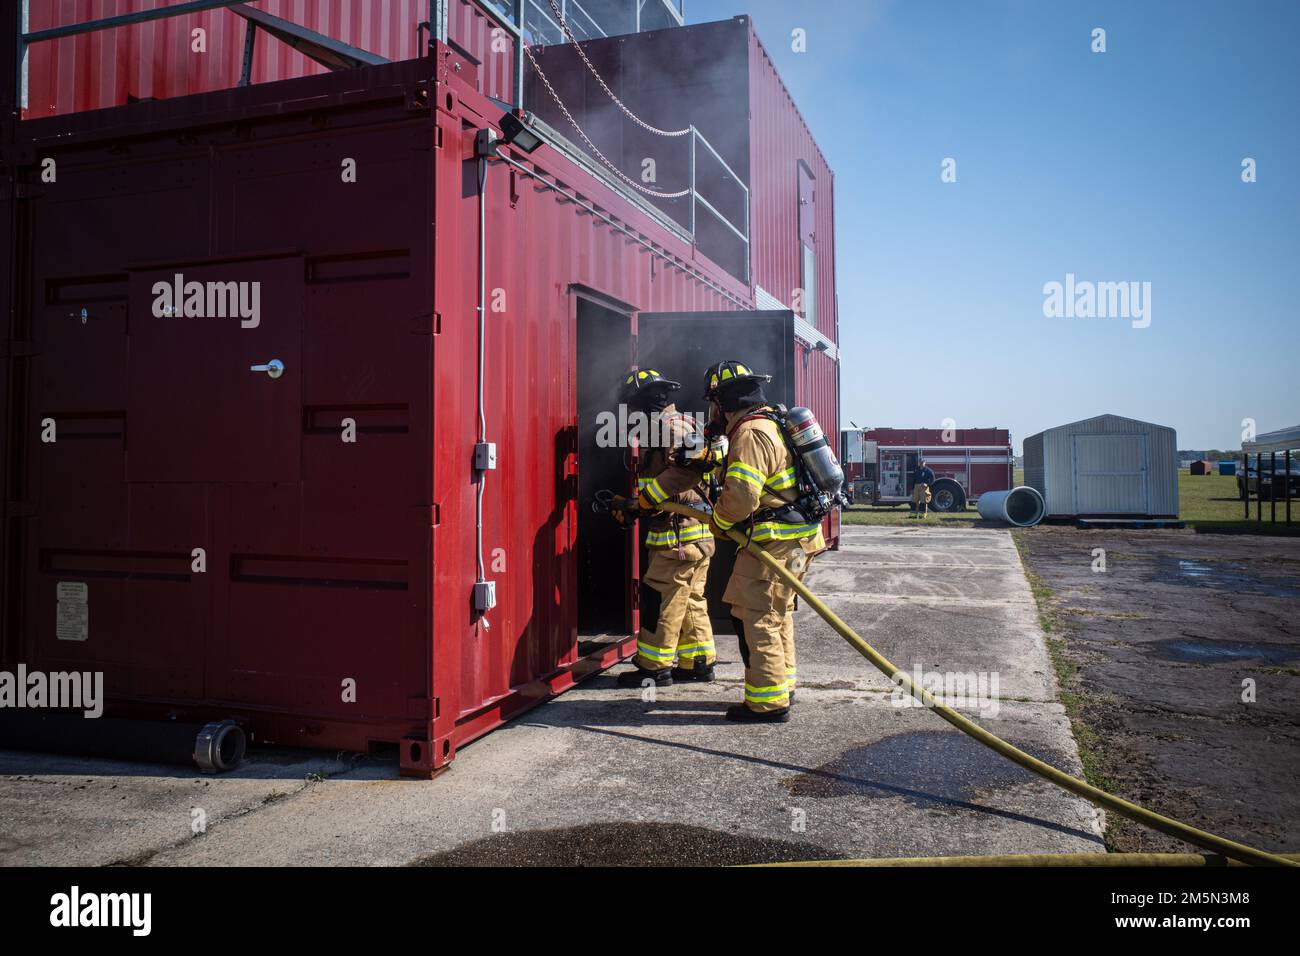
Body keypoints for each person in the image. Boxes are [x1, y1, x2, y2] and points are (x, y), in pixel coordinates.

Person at [703, 360, 825, 723]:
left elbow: (741, 495)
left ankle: (768, 703)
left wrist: (719, 522)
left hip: (775, 545)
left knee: (758, 618)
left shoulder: (751, 432)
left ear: (723, 402)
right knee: (778, 614)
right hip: (798, 542)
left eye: (714, 403)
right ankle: (782, 686)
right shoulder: (774, 423)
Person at [612, 368, 717, 688]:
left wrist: (643, 502)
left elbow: (684, 475)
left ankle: (653, 666)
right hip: (694, 533)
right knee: (690, 600)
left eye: (633, 405)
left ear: (642, 402)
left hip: (676, 537)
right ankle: (698, 661)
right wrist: (637, 504)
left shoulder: (664, 428)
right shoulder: (682, 423)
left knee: (662, 599)